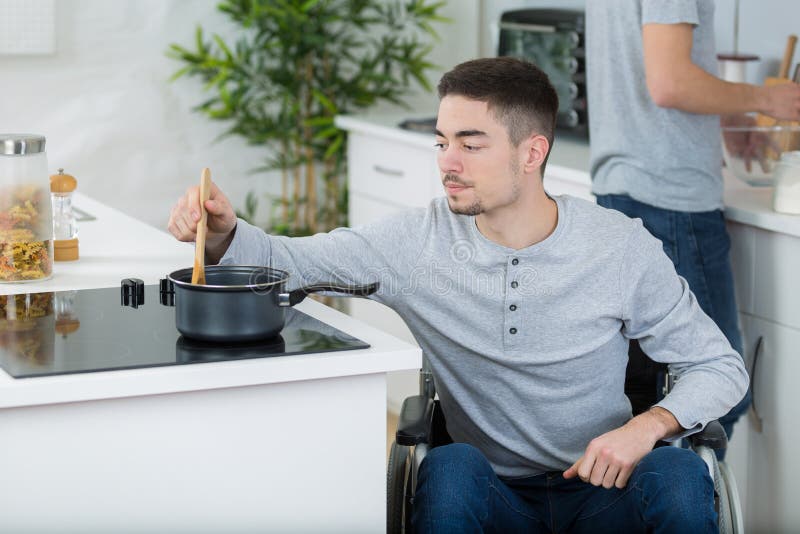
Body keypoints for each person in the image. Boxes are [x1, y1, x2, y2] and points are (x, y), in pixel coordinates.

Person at [169, 57, 748, 532]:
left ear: (532, 152)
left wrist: (646, 427)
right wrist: (222, 233)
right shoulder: (415, 243)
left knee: (676, 477)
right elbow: (291, 263)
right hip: (491, 499)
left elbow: (720, 367)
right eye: (442, 141)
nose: (447, 163)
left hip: (605, 492)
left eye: (471, 145)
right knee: (449, 470)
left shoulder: (618, 247)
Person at [586, 1, 800, 446]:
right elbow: (670, 84)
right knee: (713, 392)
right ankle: (688, 514)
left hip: (622, 186)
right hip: (672, 197)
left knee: (645, 395)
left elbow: (655, 67)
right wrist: (766, 99)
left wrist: (729, 113)